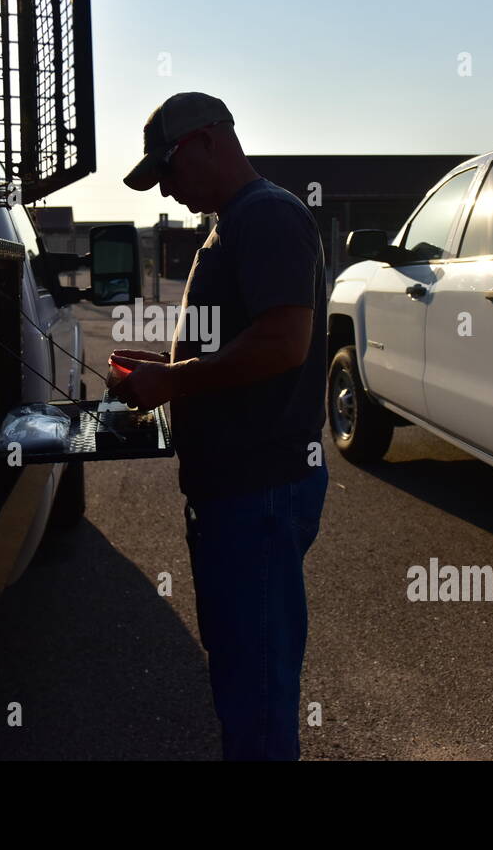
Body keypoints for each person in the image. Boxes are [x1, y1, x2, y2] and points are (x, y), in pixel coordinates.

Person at [109, 91, 329, 760]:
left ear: (207, 140)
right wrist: (167, 366)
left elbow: (283, 343)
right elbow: (244, 342)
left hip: (257, 493)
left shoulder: (265, 217)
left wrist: (173, 380)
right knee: (242, 672)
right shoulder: (233, 222)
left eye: (169, 170)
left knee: (257, 695)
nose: (168, 190)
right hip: (236, 493)